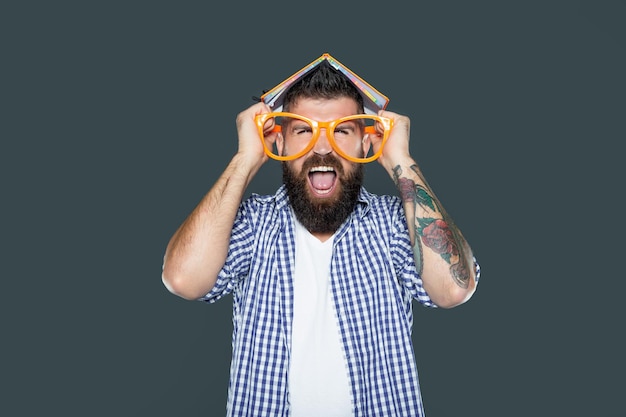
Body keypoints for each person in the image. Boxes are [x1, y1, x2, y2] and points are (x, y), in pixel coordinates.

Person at [162, 54, 480, 417]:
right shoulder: (252, 224)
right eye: (303, 130)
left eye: (342, 130)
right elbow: (183, 279)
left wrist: (401, 162)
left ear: (367, 143)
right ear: (278, 143)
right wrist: (245, 157)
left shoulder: (393, 224)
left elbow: (454, 289)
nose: (323, 147)